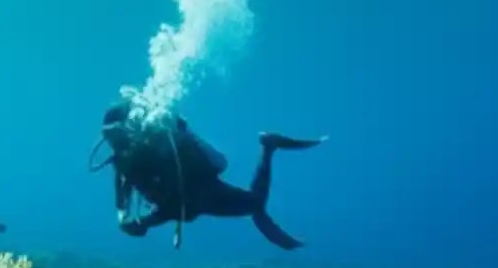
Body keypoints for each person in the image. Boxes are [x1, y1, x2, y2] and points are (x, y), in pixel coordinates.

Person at [91, 100, 325, 249]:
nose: (114, 143)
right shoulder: (122, 160)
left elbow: (181, 200)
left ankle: (268, 147)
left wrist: (147, 222)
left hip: (202, 191)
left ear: (129, 128)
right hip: (191, 201)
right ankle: (268, 146)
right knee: (253, 206)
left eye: (117, 135)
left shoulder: (156, 145)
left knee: (255, 205)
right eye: (109, 137)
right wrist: (123, 221)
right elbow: (122, 196)